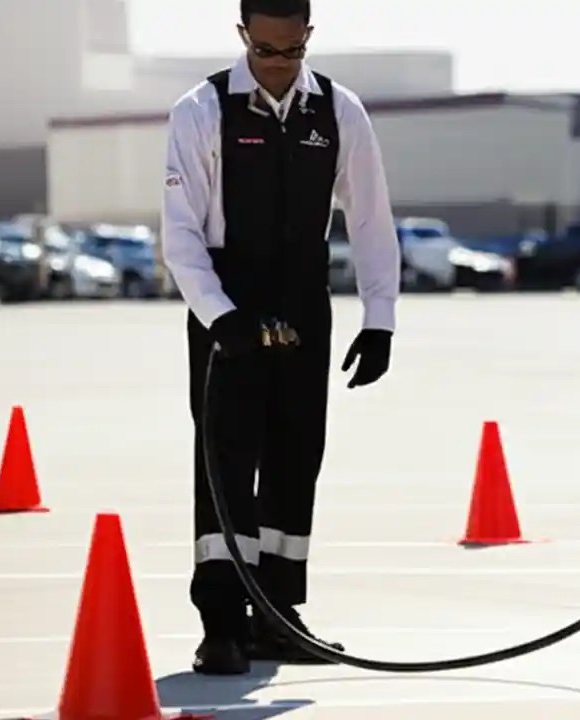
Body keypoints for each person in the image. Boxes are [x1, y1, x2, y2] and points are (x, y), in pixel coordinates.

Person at [160, 0, 400, 676]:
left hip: (303, 304)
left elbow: (373, 219)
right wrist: (220, 317)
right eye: (266, 51)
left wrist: (379, 319)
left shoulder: (338, 111)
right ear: (243, 37)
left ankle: (278, 614)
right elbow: (179, 232)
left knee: (297, 456)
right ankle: (222, 622)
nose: (279, 64)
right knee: (226, 463)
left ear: (308, 38)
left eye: (292, 50)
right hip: (228, 308)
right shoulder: (201, 112)